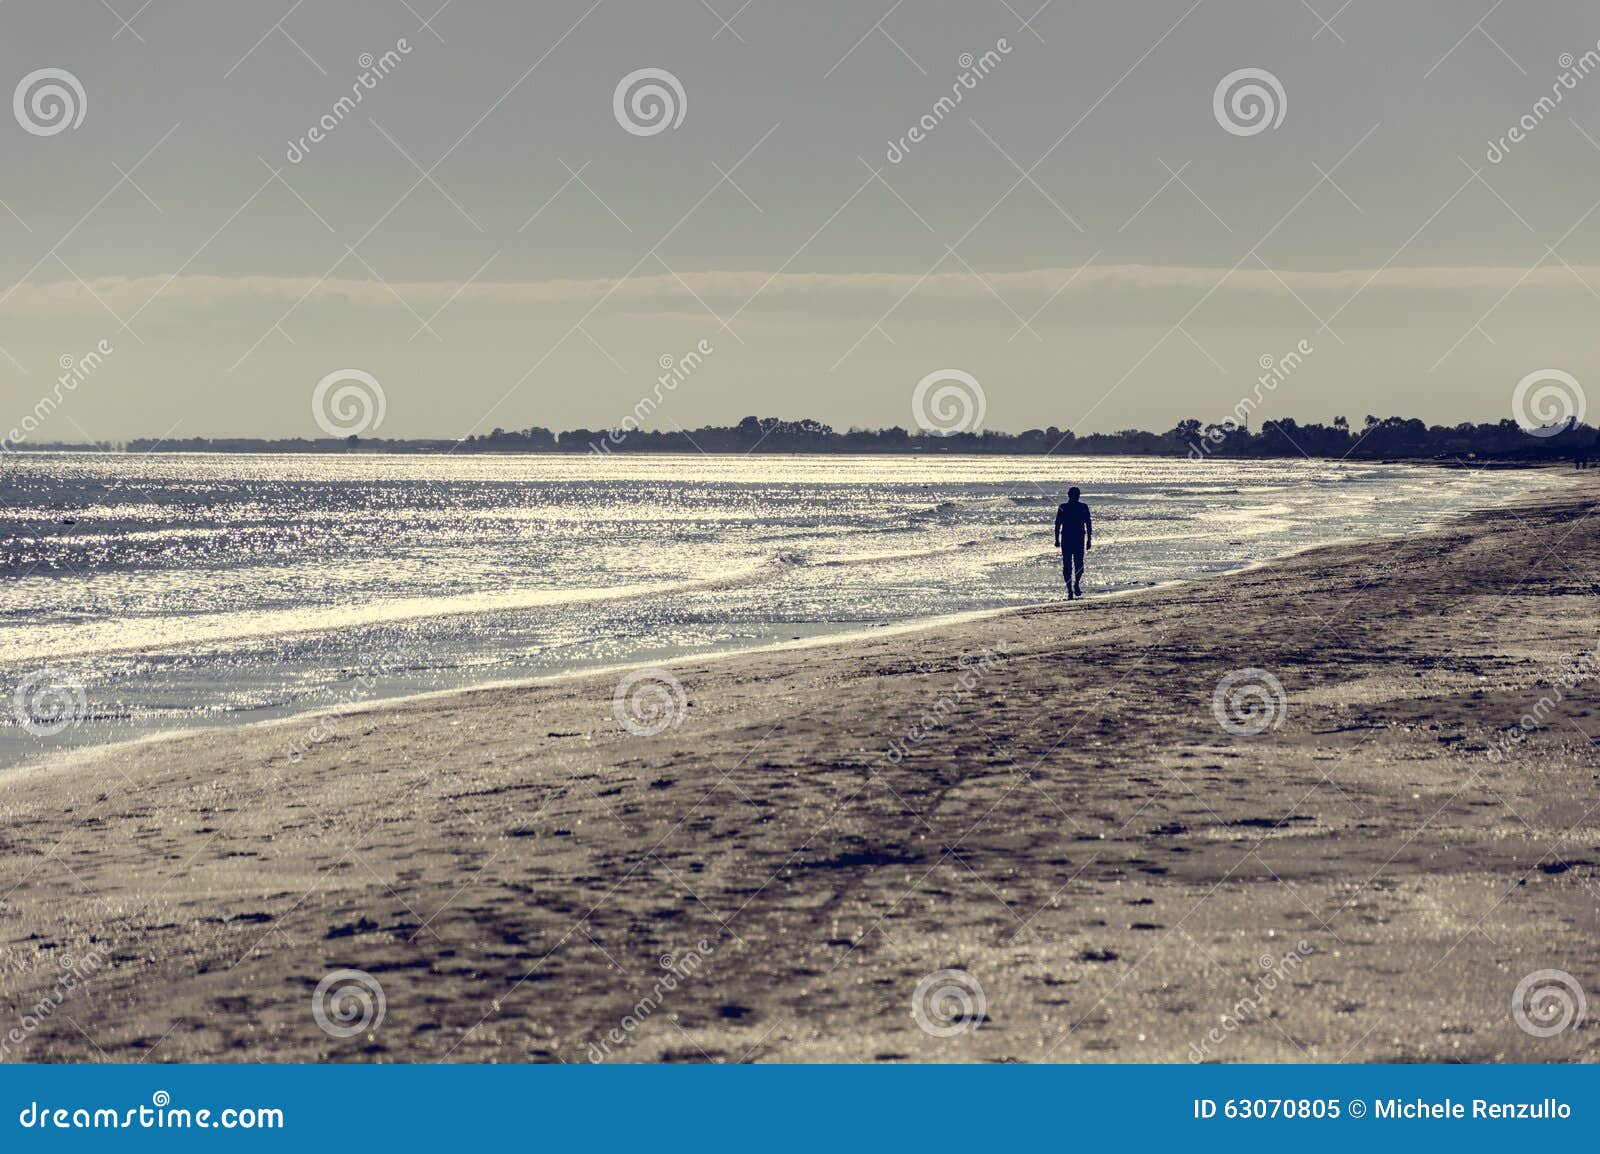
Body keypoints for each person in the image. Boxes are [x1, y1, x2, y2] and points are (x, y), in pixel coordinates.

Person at [1054, 487, 1092, 599]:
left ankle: (1074, 585)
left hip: (1073, 538)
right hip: (1072, 538)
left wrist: (1089, 539)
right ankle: (1071, 588)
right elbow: (1057, 523)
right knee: (1071, 565)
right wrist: (1056, 539)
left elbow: (1088, 523)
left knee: (1074, 565)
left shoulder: (1081, 507)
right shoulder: (1066, 507)